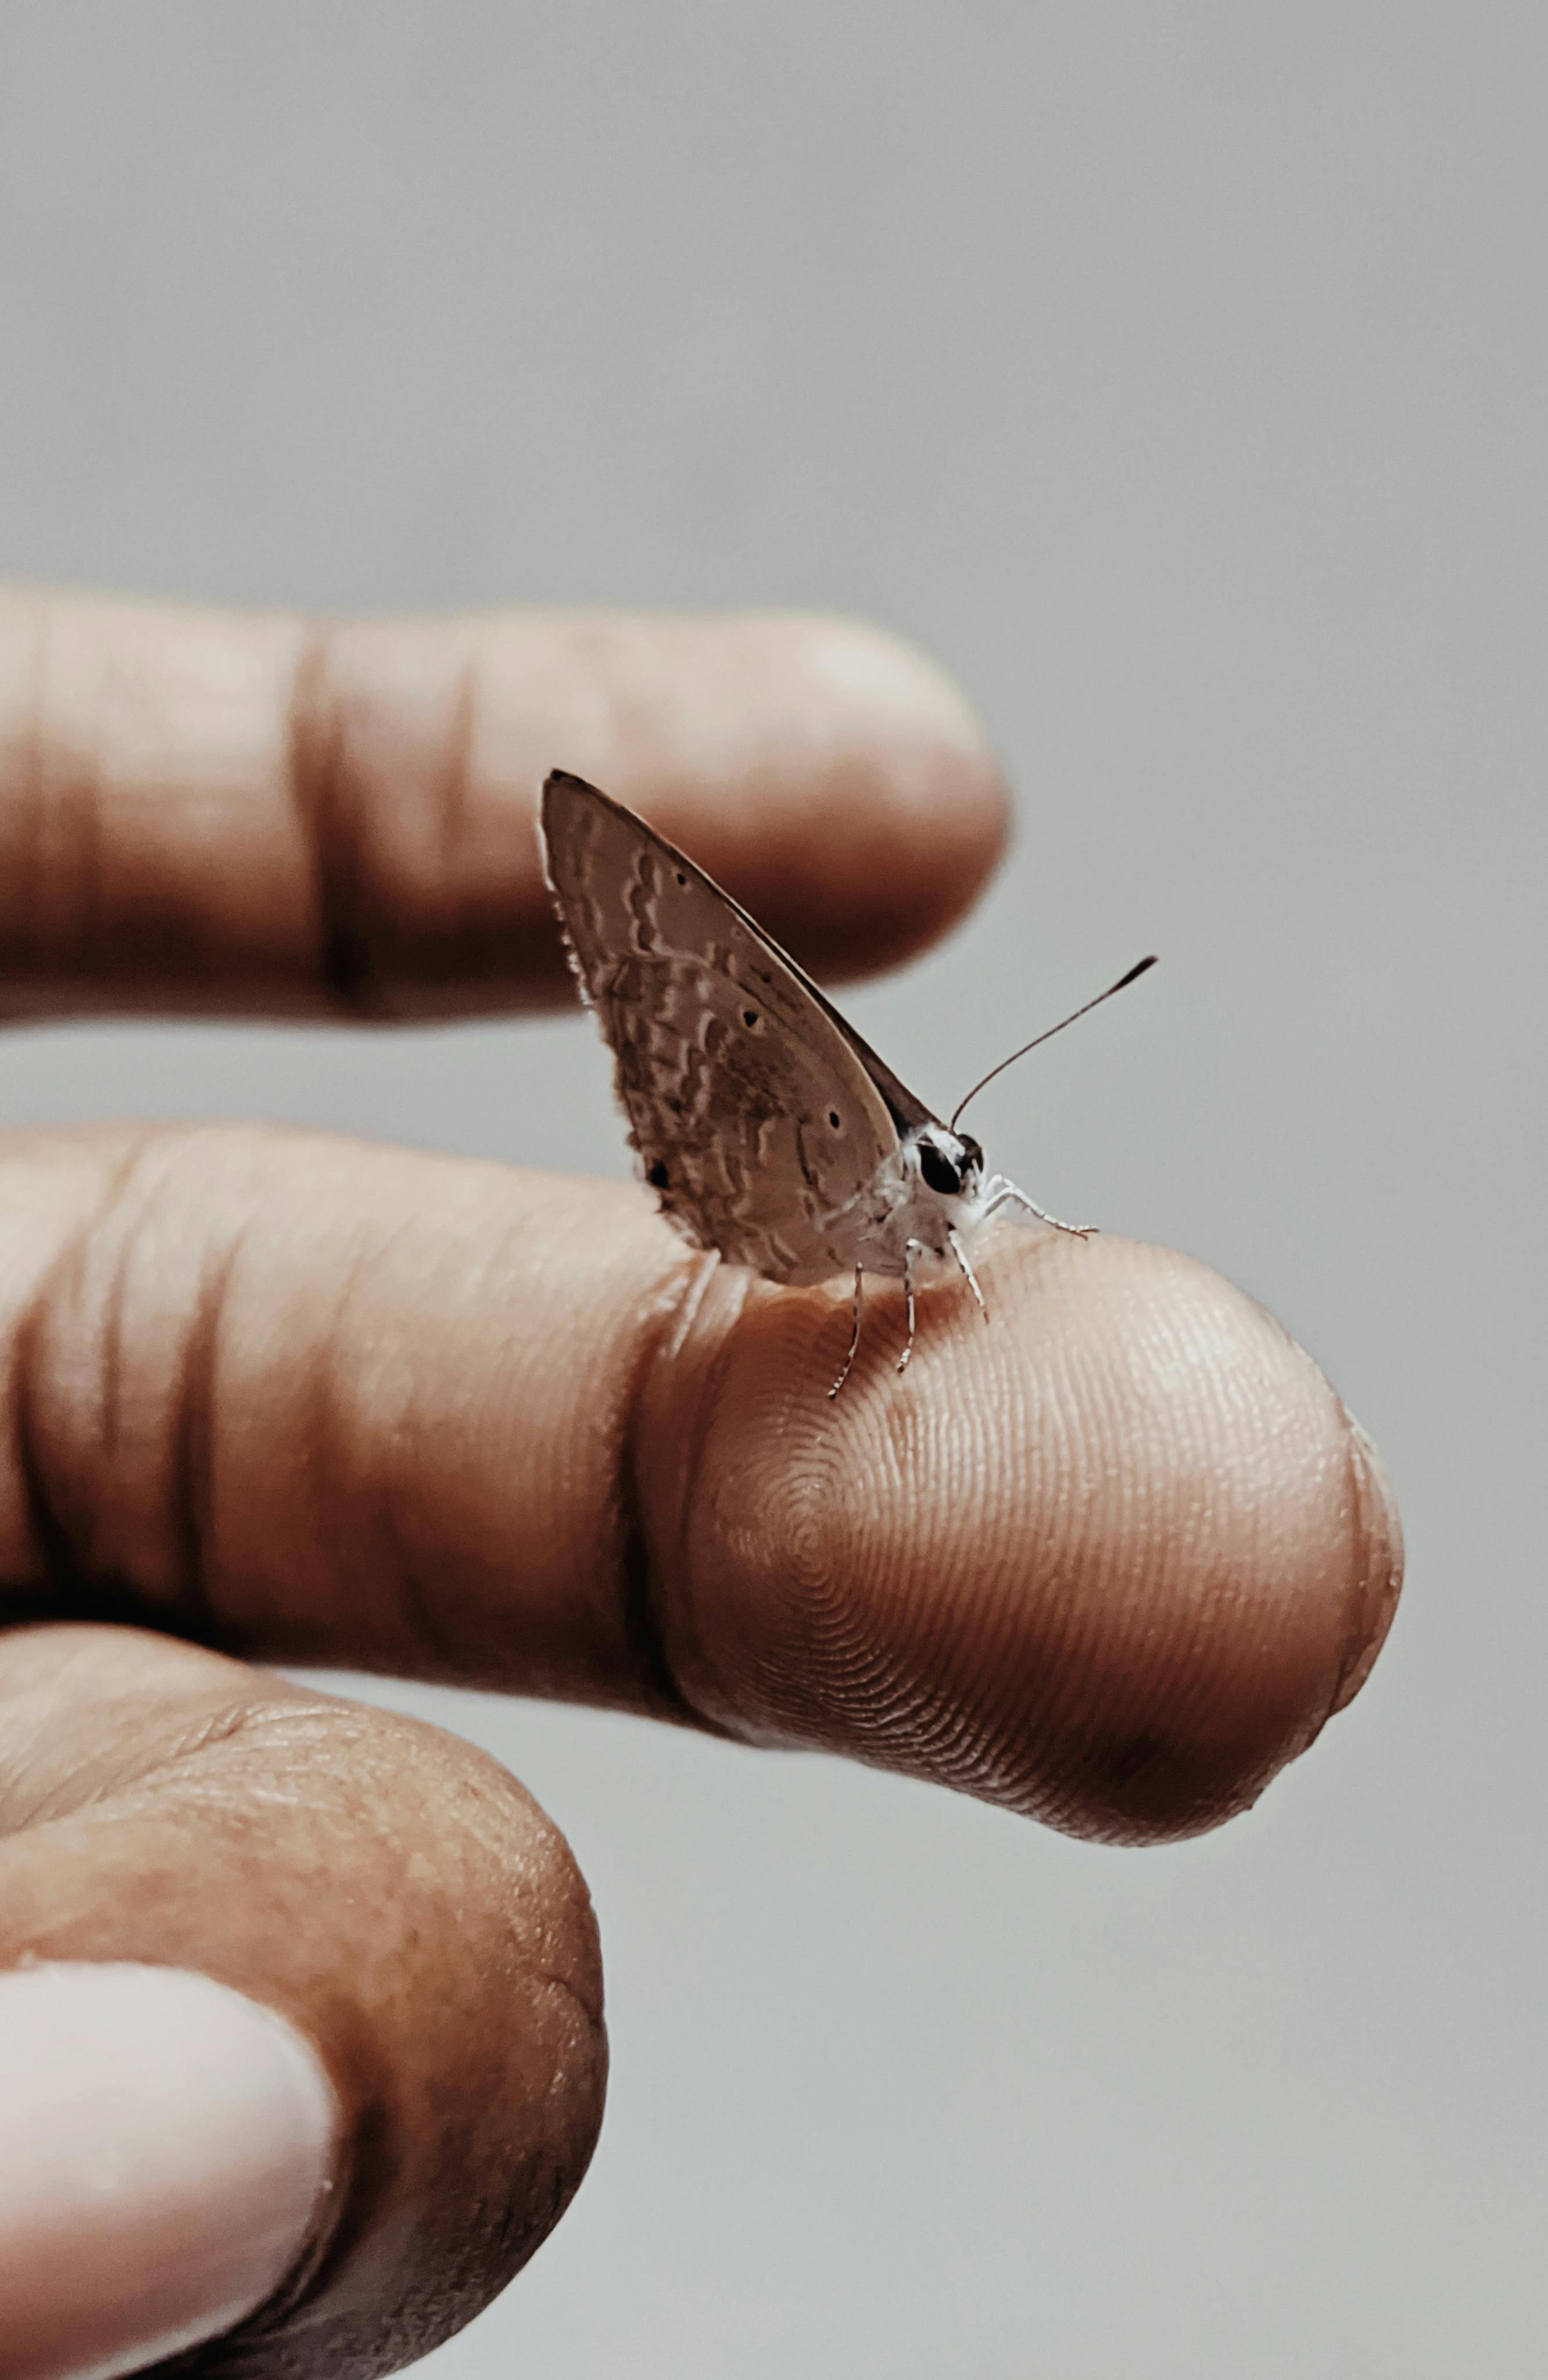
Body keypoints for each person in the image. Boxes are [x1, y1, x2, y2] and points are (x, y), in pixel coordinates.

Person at [0, 588, 1402, 2378]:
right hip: (771, 1207)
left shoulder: (940, 1203)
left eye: (968, 1174)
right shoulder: (884, 1187)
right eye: (960, 1166)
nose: (971, 1187)